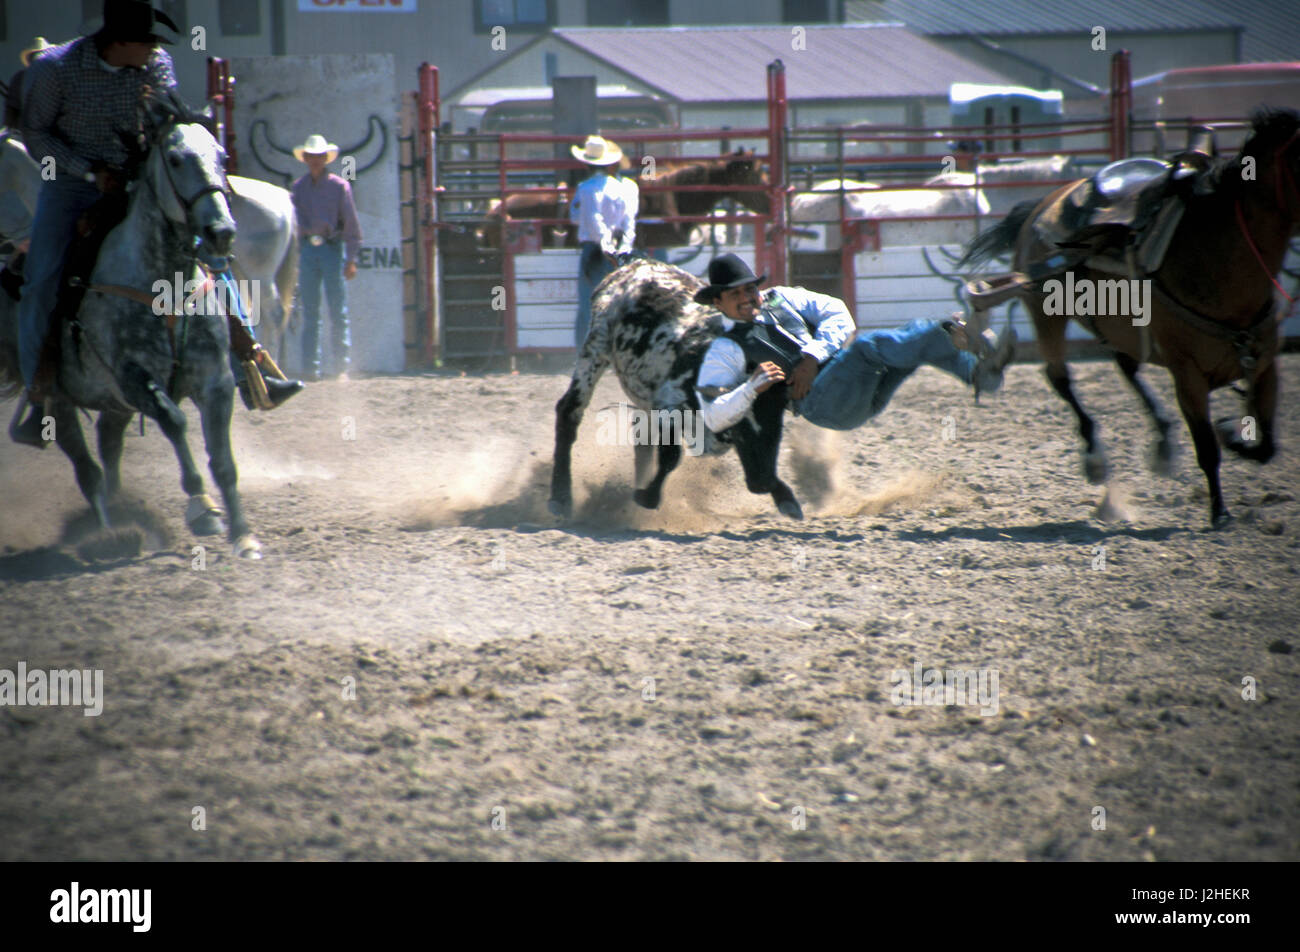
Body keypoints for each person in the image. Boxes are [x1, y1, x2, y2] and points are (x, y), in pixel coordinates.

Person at [11, 1, 301, 449]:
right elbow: (38, 136)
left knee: (210, 255)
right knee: (43, 279)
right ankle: (40, 393)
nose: (155, 50)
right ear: (119, 42)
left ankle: (251, 362)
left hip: (139, 178)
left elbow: (168, 118)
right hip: (70, 184)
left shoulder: (155, 63)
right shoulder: (55, 69)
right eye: (147, 42)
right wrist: (89, 172)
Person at [692, 253, 1016, 436]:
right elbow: (713, 417)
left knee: (914, 339)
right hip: (819, 405)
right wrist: (750, 388)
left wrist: (811, 355)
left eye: (749, 289)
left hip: (853, 392)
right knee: (869, 347)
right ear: (718, 302)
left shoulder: (783, 297)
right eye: (735, 294)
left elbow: (839, 313)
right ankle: (957, 333)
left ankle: (980, 375)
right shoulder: (725, 347)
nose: (747, 298)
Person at [290, 133, 361, 381]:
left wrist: (350, 259)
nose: (315, 161)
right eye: (312, 157)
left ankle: (340, 367)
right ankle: (311, 368)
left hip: (331, 248)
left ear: (325, 158)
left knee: (337, 310)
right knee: (311, 311)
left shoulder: (339, 187)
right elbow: (294, 225)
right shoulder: (298, 189)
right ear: (306, 159)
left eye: (319, 157)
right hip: (309, 250)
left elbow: (351, 224)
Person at [569, 134, 637, 346]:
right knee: (619, 302)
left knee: (589, 304)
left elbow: (589, 219)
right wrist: (624, 248)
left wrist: (606, 245)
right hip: (620, 248)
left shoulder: (587, 188)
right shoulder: (625, 187)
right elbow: (629, 221)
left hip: (595, 249)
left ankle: (585, 351)